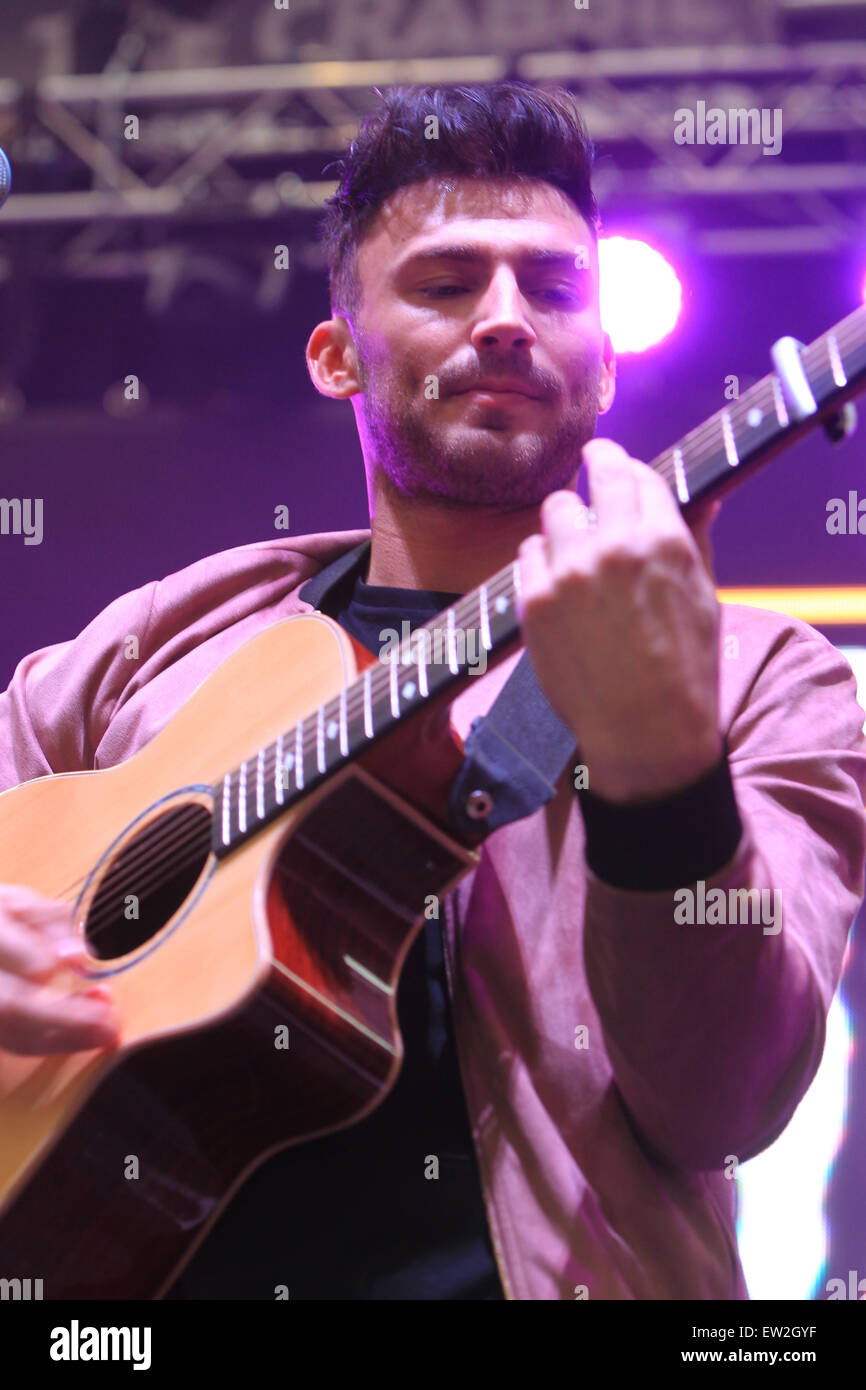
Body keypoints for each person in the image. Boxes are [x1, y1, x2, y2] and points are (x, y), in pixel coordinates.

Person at [1, 81, 864, 1300]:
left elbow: (720, 1104)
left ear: (606, 366)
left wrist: (658, 759)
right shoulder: (148, 647)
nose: (505, 319)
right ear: (336, 354)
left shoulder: (760, 678)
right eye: (446, 284)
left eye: (553, 288)